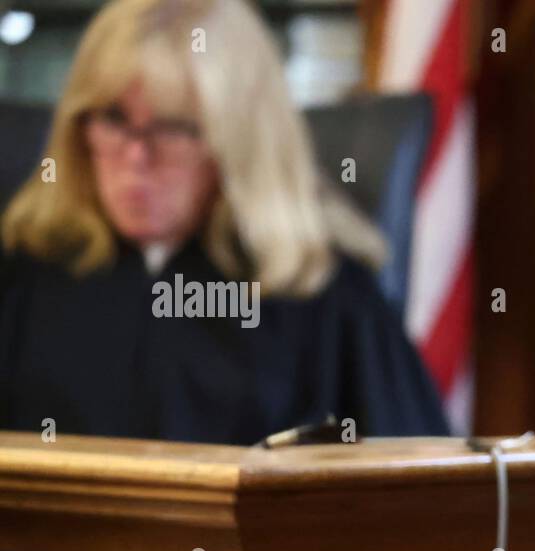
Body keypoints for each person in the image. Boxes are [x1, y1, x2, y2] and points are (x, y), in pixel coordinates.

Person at [0, 0, 448, 445]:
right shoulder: (25, 274)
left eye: (173, 127)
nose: (135, 156)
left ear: (238, 144)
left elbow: (421, 492)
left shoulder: (326, 299)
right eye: (114, 119)